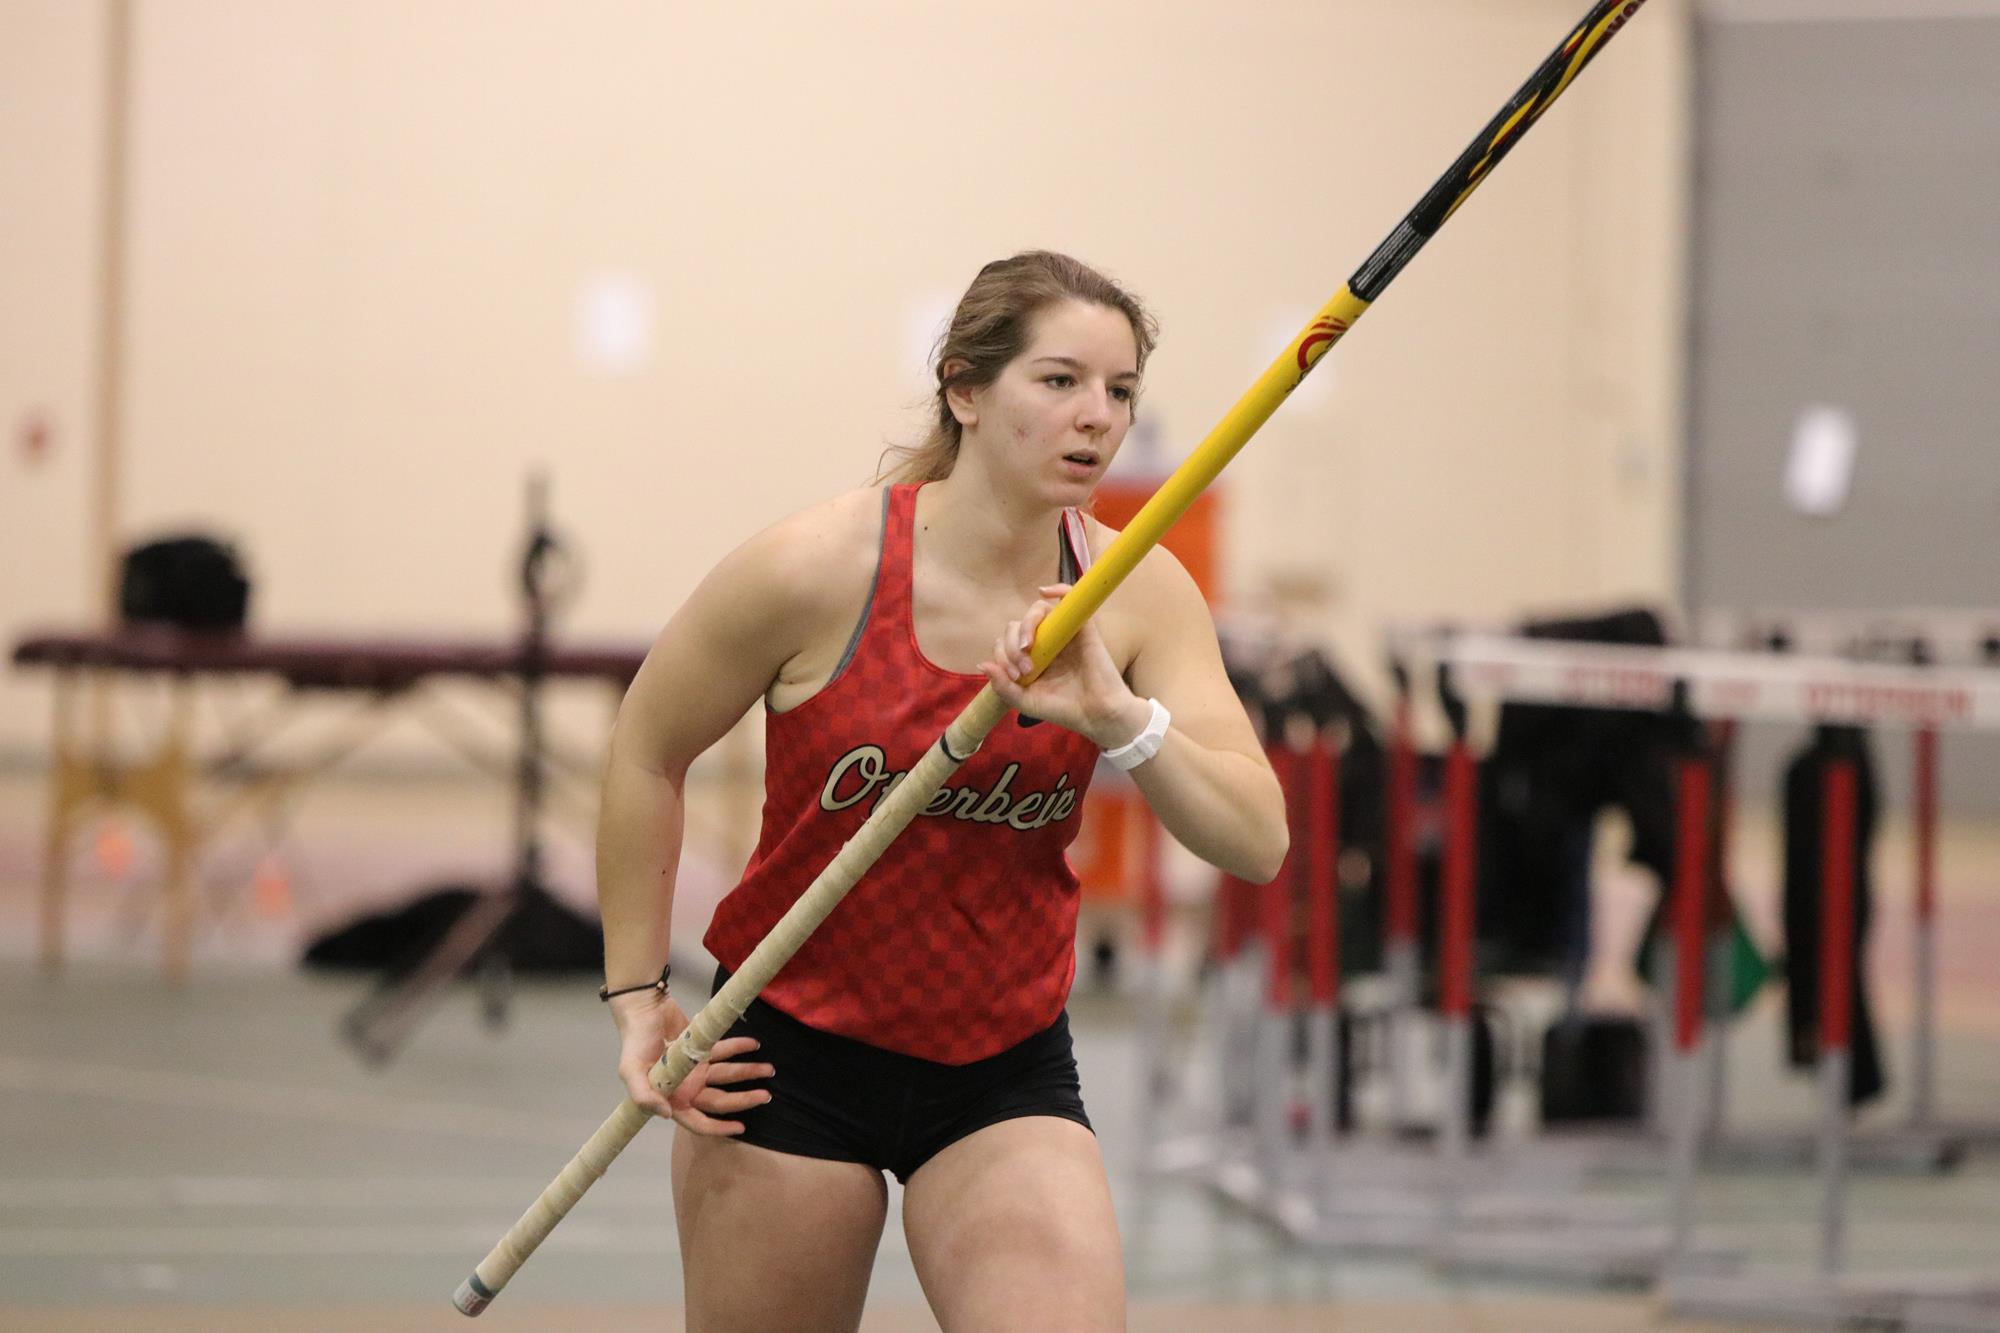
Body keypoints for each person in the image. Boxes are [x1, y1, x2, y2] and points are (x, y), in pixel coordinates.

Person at [597, 250, 1288, 1332]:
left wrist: (1122, 722)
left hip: (1000, 1067)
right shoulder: (814, 568)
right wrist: (637, 996)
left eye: (1119, 390)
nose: (1096, 416)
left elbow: (1256, 838)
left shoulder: (1137, 591)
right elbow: (646, 749)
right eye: (1058, 380)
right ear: (964, 389)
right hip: (784, 1057)